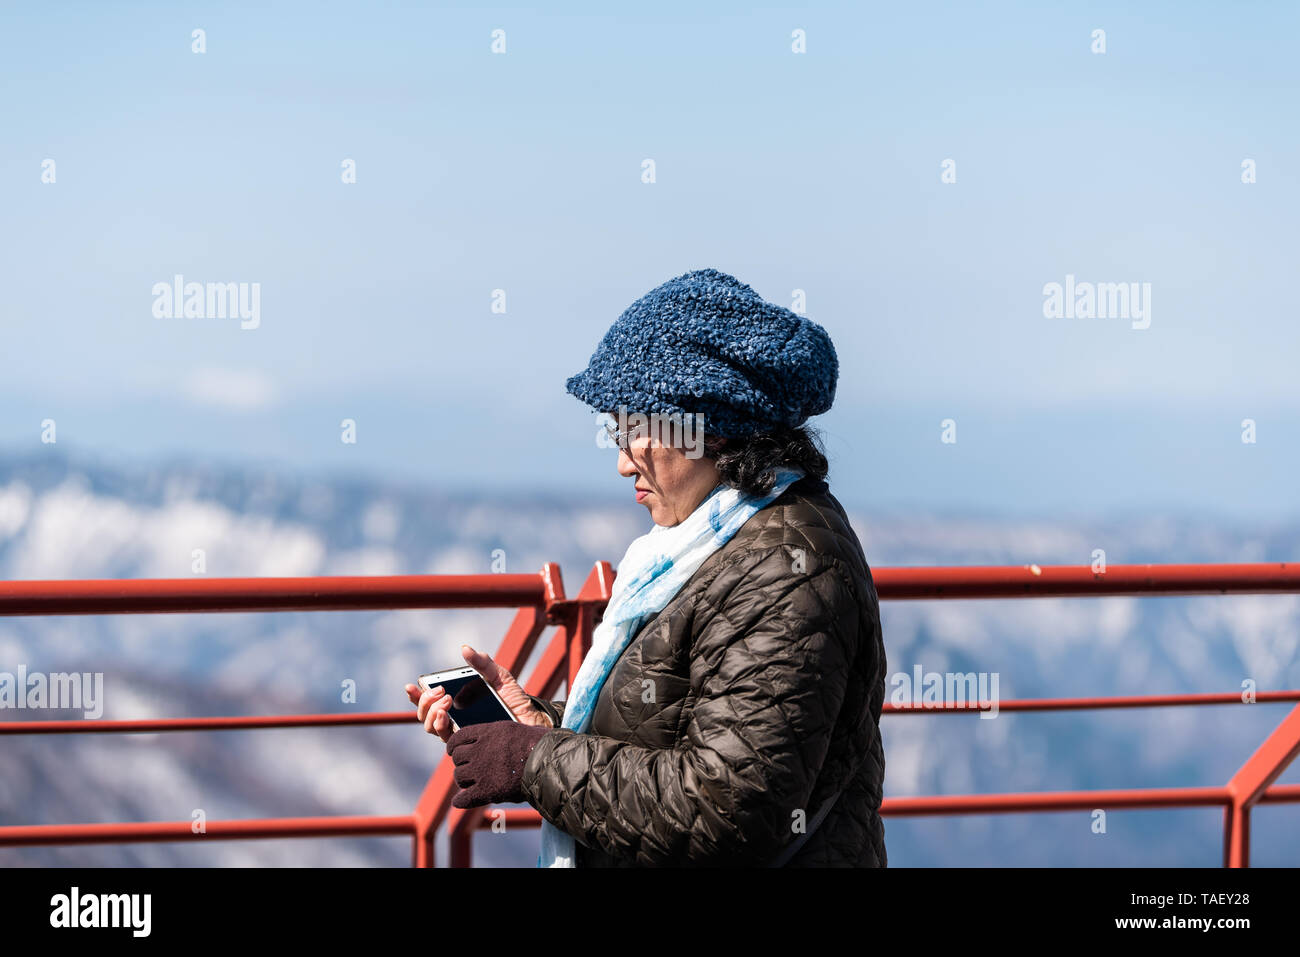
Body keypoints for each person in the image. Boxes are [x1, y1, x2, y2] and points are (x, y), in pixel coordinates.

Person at [404, 267, 887, 867]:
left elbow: (728, 810)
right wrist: (538, 725)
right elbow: (676, 735)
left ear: (710, 430)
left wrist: (533, 761)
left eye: (636, 431)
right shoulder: (718, 548)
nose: (623, 463)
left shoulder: (784, 572)